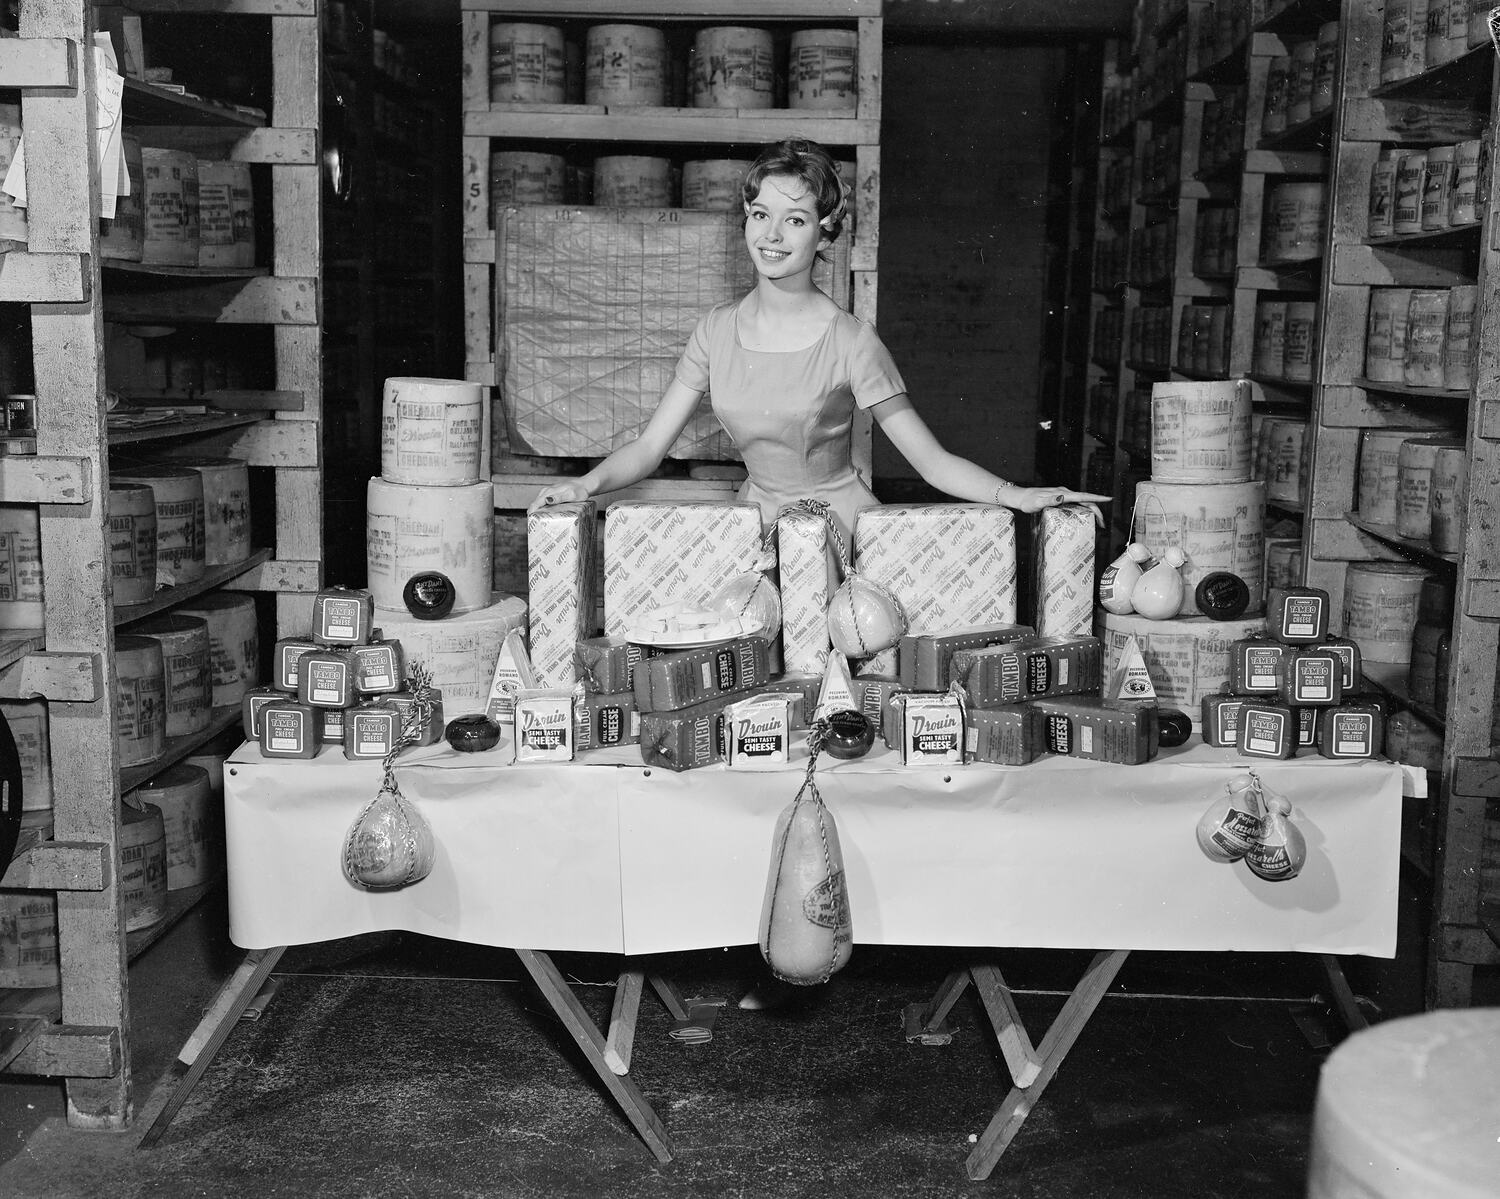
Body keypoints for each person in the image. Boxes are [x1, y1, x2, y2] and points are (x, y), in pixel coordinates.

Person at [527, 137, 1107, 543]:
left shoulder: (852, 341)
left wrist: (1017, 496)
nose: (772, 235)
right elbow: (650, 448)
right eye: (759, 214)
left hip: (841, 532)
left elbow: (929, 462)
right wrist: (586, 483)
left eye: (795, 219)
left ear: (825, 229)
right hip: (756, 528)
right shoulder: (714, 331)